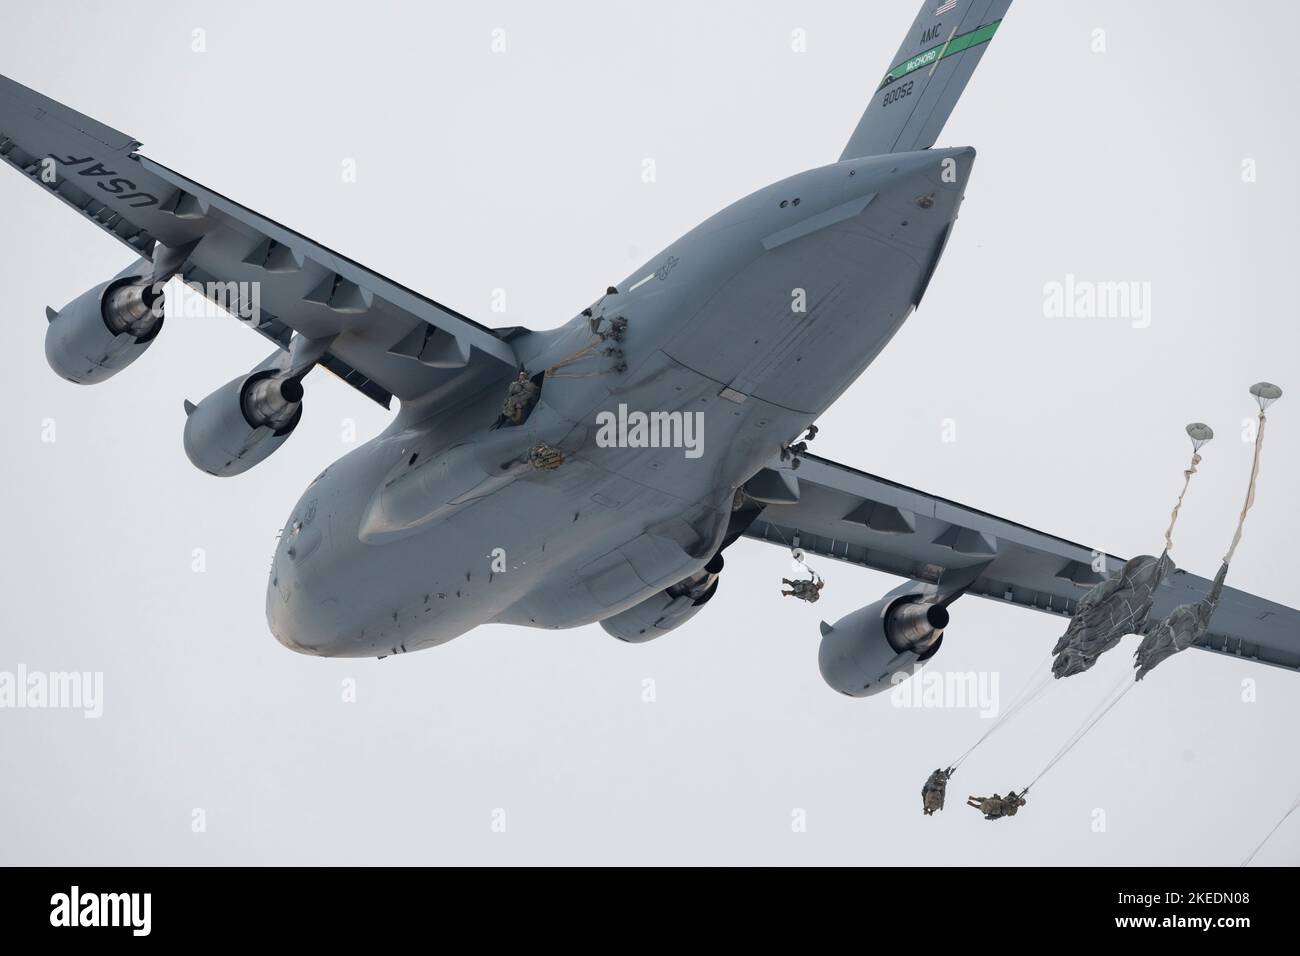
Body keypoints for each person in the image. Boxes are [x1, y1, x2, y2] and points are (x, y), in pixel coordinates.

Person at [1051, 552, 1174, 678]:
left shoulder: (1083, 629)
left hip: (1101, 620)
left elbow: (1099, 595)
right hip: (1103, 620)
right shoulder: (1091, 646)